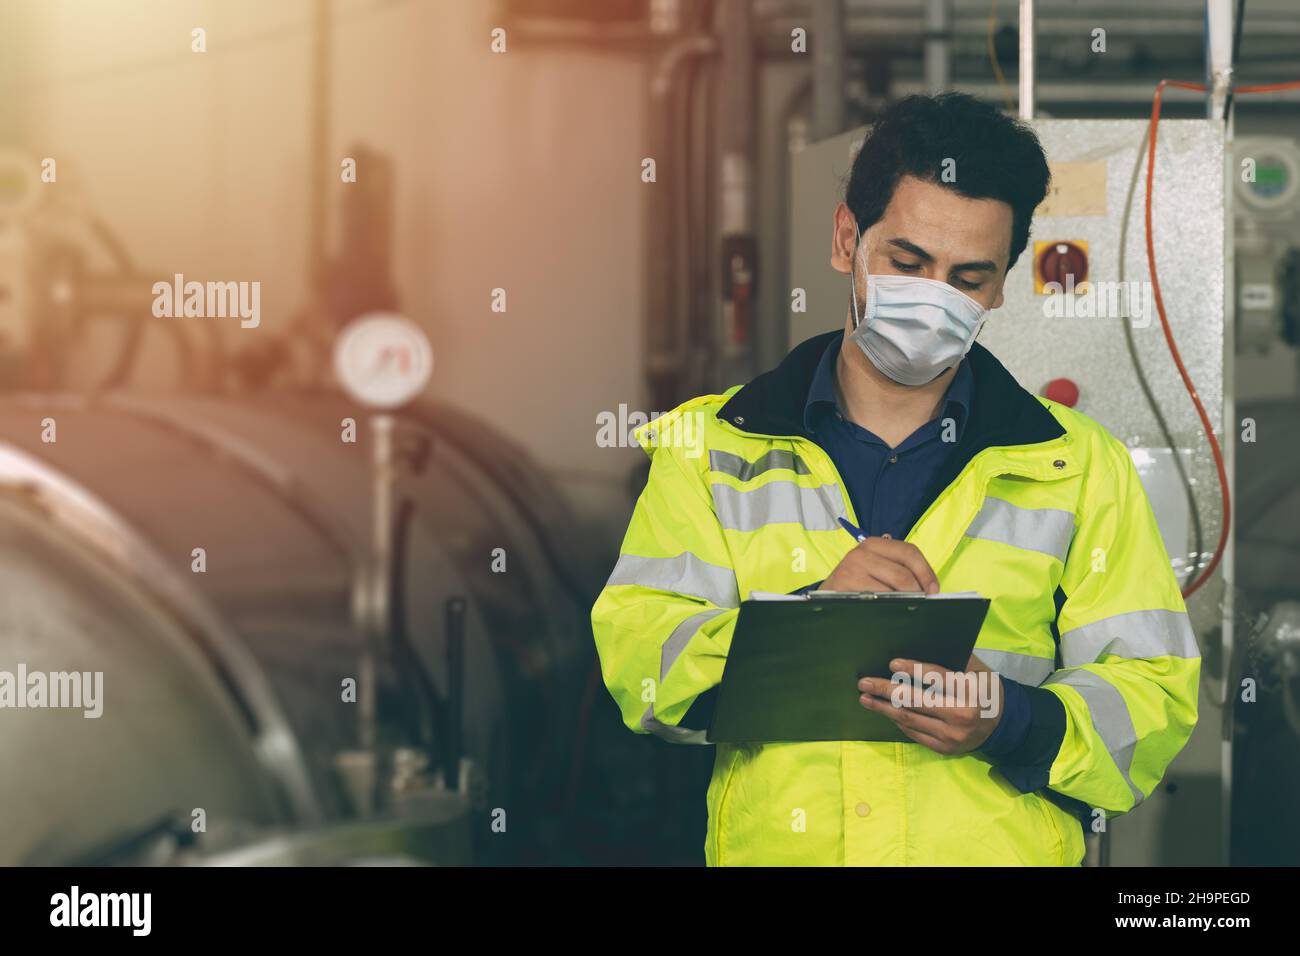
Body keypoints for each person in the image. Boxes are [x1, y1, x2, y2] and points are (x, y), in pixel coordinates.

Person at [591, 92, 1200, 866]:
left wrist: (1004, 717)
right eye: (908, 263)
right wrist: (807, 621)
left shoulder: (1080, 468)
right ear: (848, 238)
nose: (934, 298)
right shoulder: (712, 448)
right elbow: (640, 663)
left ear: (1001, 287)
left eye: (968, 277)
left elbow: (1154, 695)